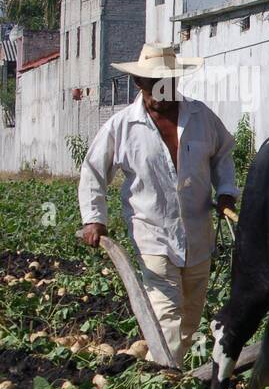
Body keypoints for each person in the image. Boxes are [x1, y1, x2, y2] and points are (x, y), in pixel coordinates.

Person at [78, 44, 238, 364]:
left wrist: (226, 192)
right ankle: (161, 383)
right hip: (152, 235)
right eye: (155, 85)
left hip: (198, 235)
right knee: (168, 320)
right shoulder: (122, 127)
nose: (164, 92)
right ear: (139, 83)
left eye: (170, 83)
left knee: (190, 321)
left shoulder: (201, 117)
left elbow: (223, 154)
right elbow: (94, 171)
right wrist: (94, 218)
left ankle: (159, 373)